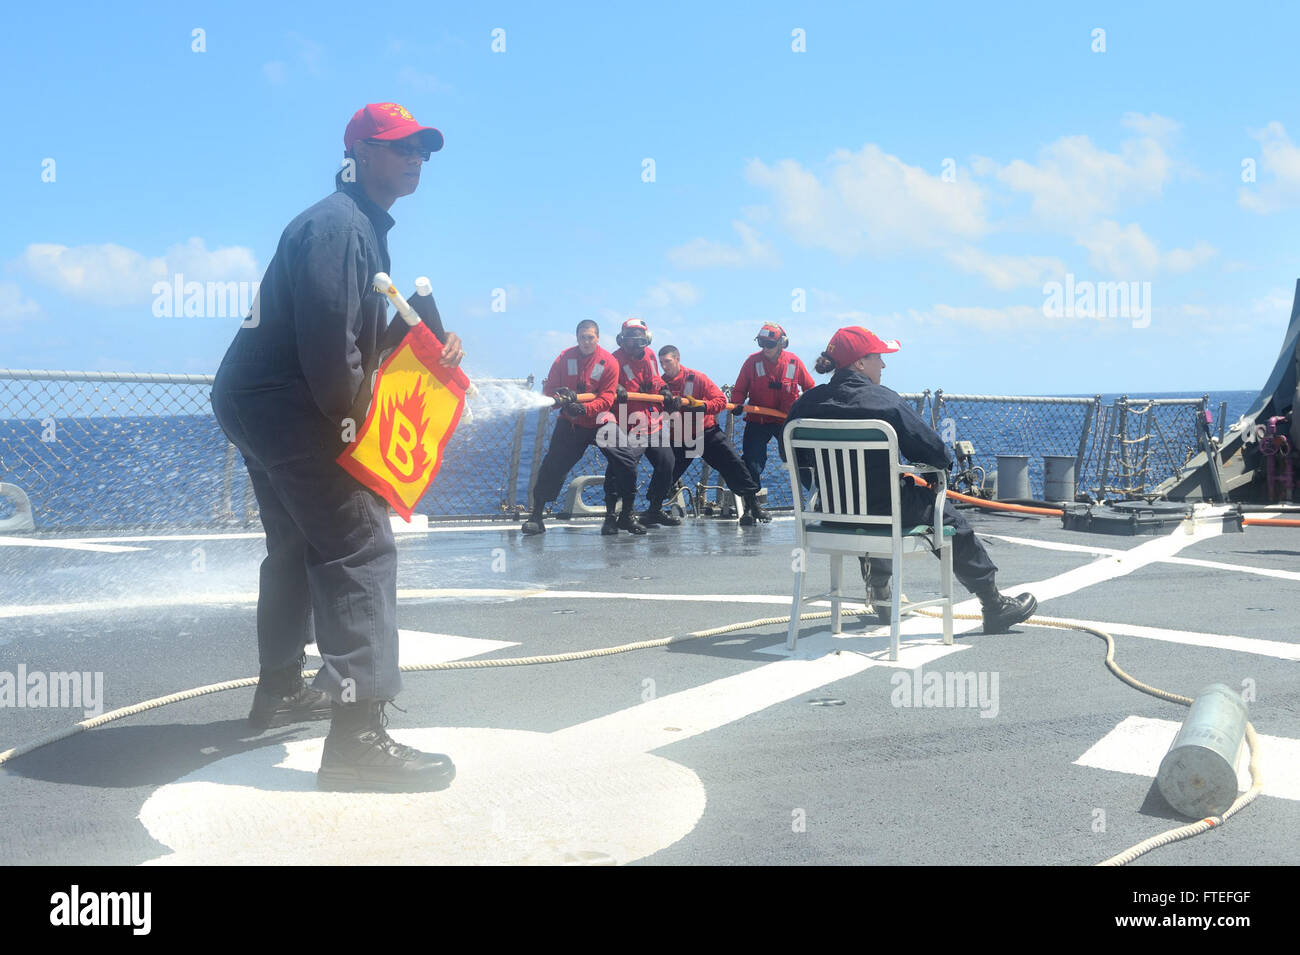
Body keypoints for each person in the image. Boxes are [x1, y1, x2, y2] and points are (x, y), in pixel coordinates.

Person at [211, 102, 463, 792]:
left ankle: (281, 690)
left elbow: (354, 341)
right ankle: (357, 739)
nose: (414, 158)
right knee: (361, 543)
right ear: (357, 152)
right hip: (288, 404)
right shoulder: (339, 227)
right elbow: (330, 353)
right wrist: (356, 442)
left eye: (422, 150)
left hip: (260, 399)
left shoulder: (357, 229)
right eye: (398, 147)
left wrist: (421, 347)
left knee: (296, 542)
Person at [785, 326, 1037, 634]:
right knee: (950, 523)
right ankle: (993, 604)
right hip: (887, 511)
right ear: (860, 364)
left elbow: (793, 459)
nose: (884, 365)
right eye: (879, 357)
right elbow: (936, 454)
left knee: (875, 505)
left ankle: (880, 593)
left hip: (829, 515)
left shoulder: (805, 404)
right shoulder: (884, 402)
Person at [521, 320, 629, 535]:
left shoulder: (609, 362)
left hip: (601, 422)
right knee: (552, 466)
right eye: (582, 337)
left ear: (598, 337)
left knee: (623, 462)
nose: (586, 341)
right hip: (571, 424)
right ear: (577, 338)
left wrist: (585, 409)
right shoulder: (564, 358)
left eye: (590, 337)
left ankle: (614, 517)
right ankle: (537, 516)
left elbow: (607, 397)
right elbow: (550, 391)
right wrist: (561, 399)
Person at [658, 345, 770, 525]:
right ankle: (653, 510)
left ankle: (753, 505)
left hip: (706, 433)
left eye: (668, 362)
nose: (664, 366)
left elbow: (720, 400)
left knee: (735, 465)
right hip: (679, 436)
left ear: (677, 359)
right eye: (661, 362)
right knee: (664, 472)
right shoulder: (660, 384)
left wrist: (703, 406)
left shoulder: (697, 378)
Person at [603, 318, 681, 533]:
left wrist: (664, 389)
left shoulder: (650, 355)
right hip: (626, 424)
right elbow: (605, 383)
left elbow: (655, 379)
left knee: (667, 463)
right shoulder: (613, 359)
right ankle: (611, 516)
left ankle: (654, 509)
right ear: (622, 340)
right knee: (619, 469)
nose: (634, 345)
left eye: (639, 340)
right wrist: (616, 387)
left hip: (651, 423)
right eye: (630, 340)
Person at [731, 323, 815, 490]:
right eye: (761, 343)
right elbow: (740, 389)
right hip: (758, 420)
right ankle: (751, 504)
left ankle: (819, 498)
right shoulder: (752, 362)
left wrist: (808, 409)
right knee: (752, 463)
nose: (765, 348)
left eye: (769, 344)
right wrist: (737, 404)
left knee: (800, 460)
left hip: (786, 421)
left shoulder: (794, 362)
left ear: (781, 343)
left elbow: (810, 389)